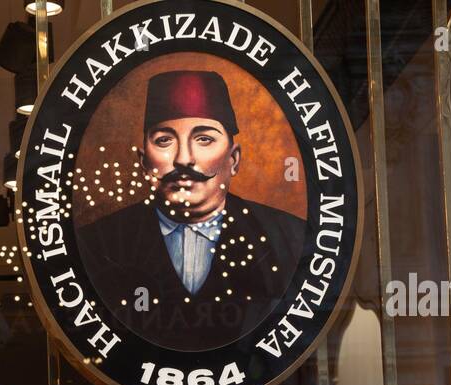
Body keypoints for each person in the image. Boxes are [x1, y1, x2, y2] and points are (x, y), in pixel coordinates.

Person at [75, 70, 305, 352]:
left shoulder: (289, 237)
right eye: (164, 140)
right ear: (144, 162)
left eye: (204, 139)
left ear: (234, 159)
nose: (184, 158)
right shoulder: (97, 243)